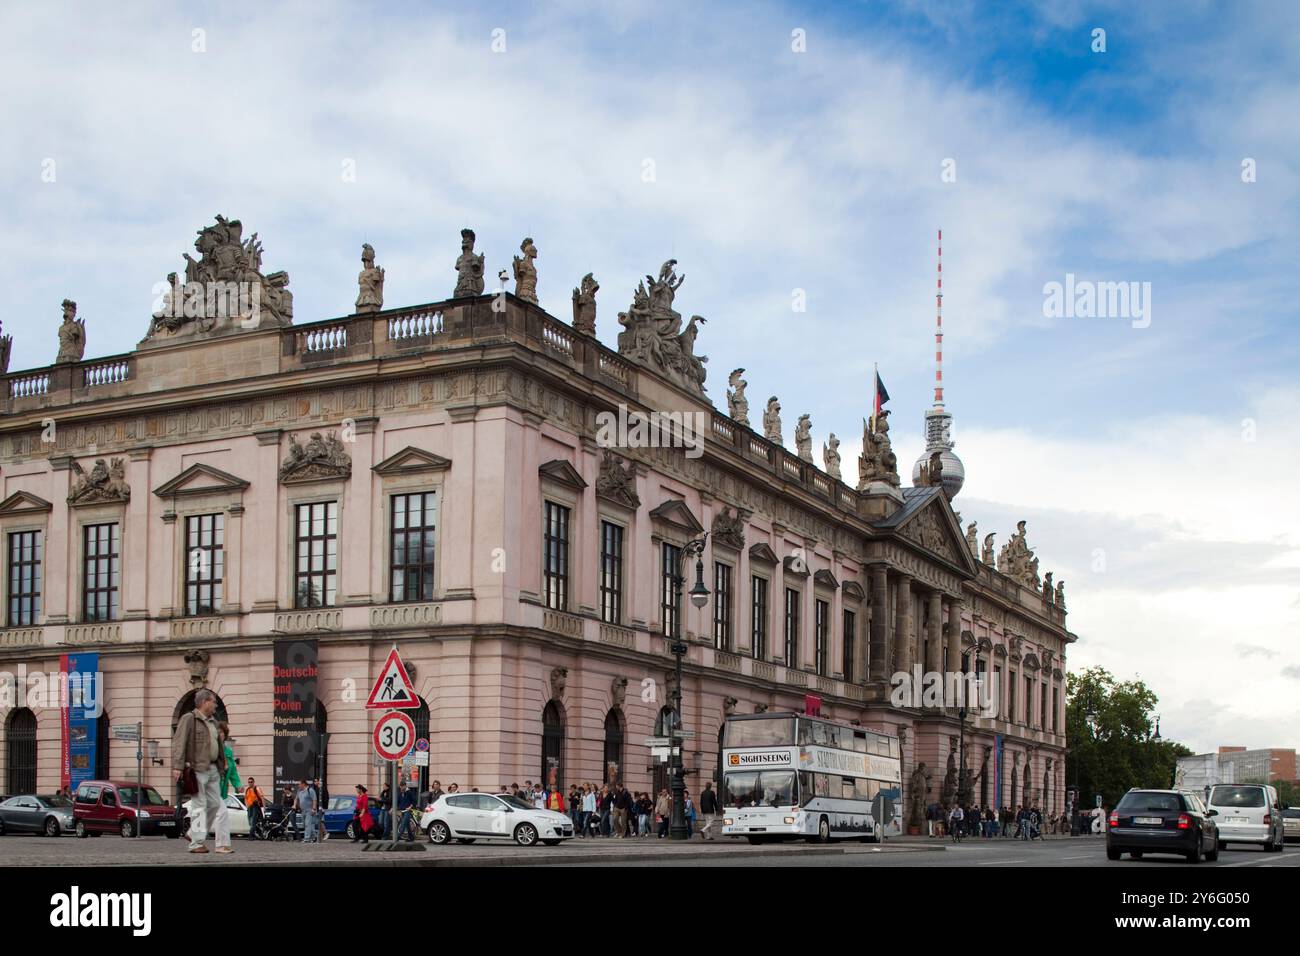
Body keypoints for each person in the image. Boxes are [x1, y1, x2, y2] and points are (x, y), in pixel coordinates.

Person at [170, 688, 233, 855]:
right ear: (205, 702)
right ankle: (196, 843)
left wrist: (222, 763)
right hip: (196, 768)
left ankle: (193, 834)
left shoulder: (213, 722)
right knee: (199, 806)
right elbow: (179, 742)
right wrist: (178, 766)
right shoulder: (189, 719)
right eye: (213, 701)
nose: (216, 704)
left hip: (213, 768)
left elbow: (218, 744)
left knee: (214, 804)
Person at [295, 779, 319, 844]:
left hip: (310, 810)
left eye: (299, 784)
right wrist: (296, 806)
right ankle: (313, 837)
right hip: (303, 810)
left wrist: (314, 808)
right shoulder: (300, 791)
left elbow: (314, 799)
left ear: (303, 784)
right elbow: (297, 799)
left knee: (308, 824)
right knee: (306, 825)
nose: (298, 785)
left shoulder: (310, 790)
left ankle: (307, 838)